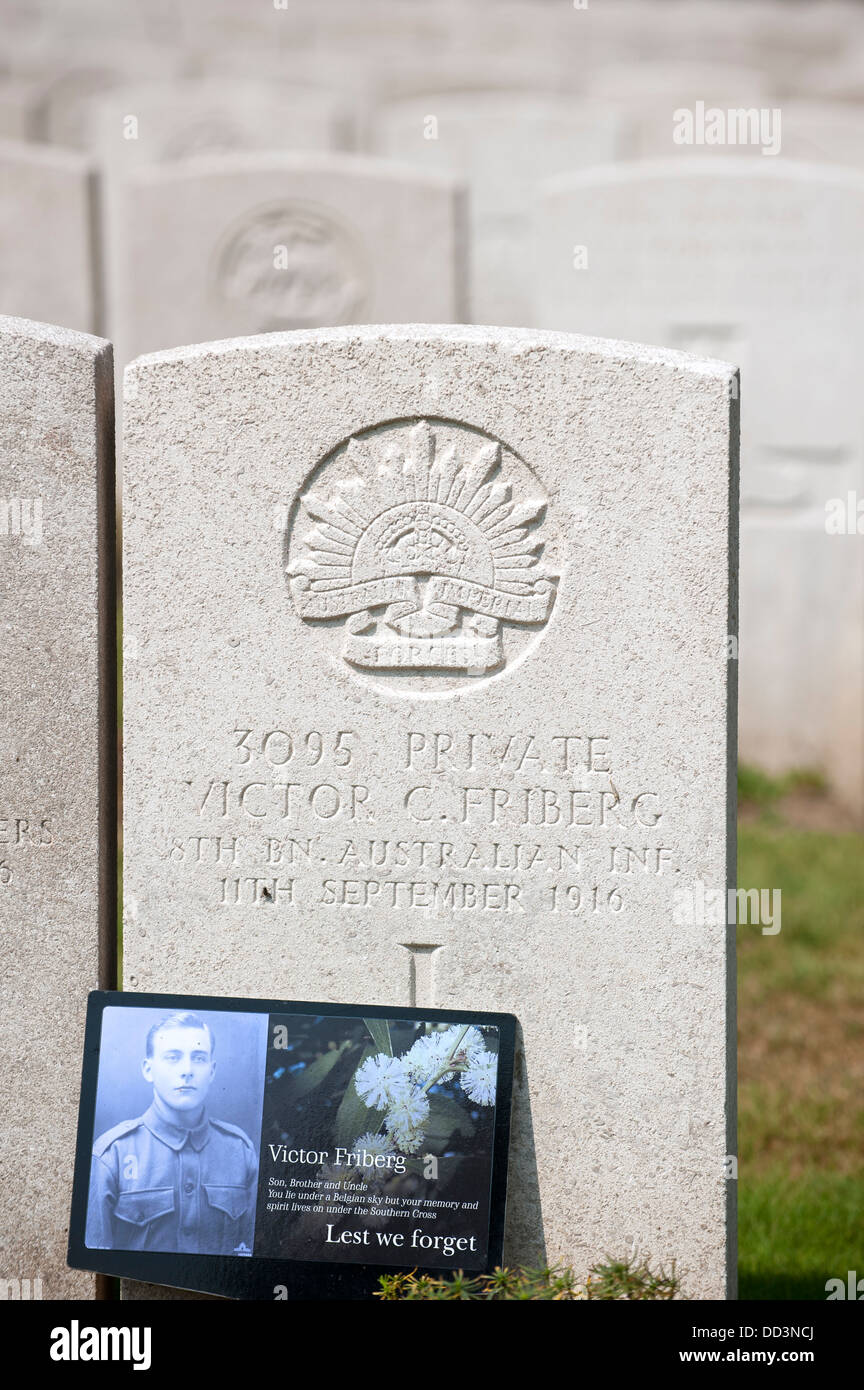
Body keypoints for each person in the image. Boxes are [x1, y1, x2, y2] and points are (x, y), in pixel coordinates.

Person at [85, 1011, 257, 1255]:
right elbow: (96, 1264)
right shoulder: (112, 1155)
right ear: (148, 1069)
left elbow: (252, 1254)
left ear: (212, 1071)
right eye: (173, 1057)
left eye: (198, 1058)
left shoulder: (240, 1151)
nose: (186, 1070)